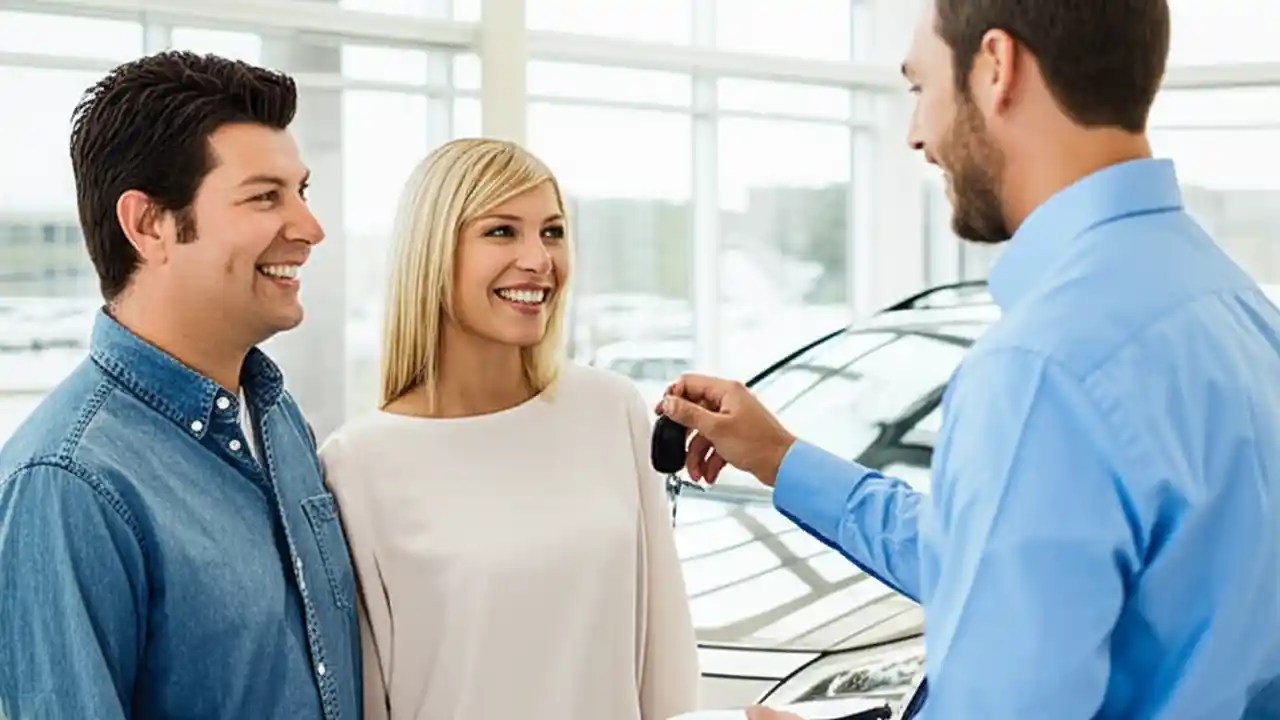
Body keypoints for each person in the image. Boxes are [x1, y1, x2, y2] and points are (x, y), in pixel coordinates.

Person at [661, 1, 1280, 718]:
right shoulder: (1240, 313)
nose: (916, 135)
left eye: (920, 89)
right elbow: (1004, 568)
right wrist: (781, 457)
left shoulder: (1043, 367)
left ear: (995, 66)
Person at [0, 51, 361, 718]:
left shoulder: (277, 417)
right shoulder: (66, 482)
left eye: (301, 192)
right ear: (149, 225)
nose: (310, 229)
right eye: (264, 197)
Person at [319, 138, 699, 720]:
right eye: (502, 231)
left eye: (552, 231)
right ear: (433, 252)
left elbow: (665, 656)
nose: (539, 259)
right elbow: (370, 694)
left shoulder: (610, 410)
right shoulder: (357, 463)